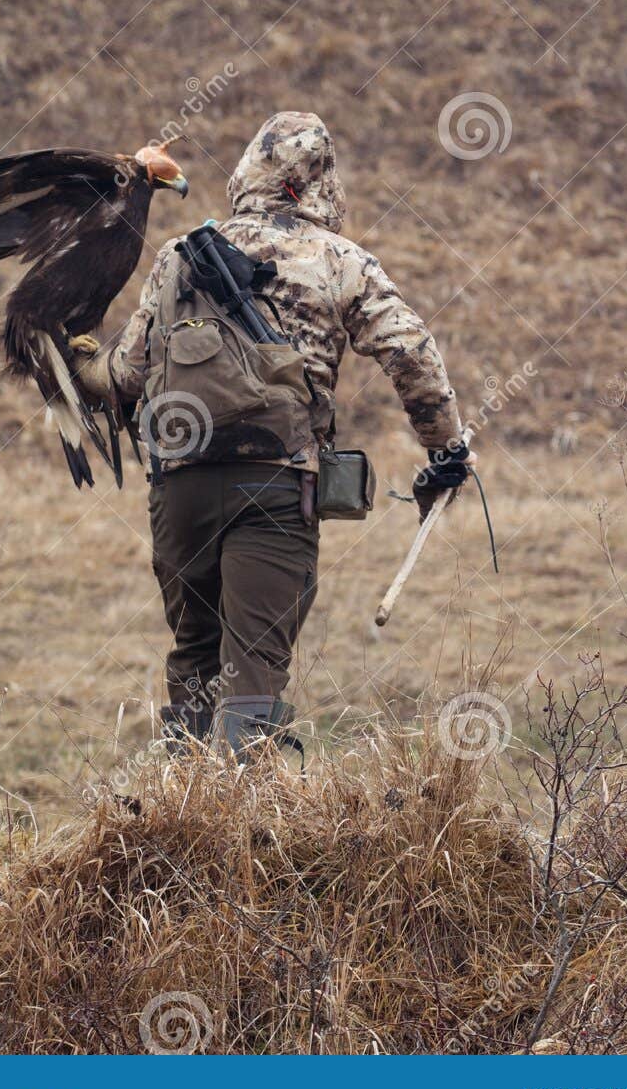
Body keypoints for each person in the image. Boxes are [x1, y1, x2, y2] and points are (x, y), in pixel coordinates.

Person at [78, 111, 468, 757]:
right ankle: (244, 804)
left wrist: (76, 359)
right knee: (253, 667)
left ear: (246, 175)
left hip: (180, 490)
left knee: (195, 656)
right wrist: (445, 449)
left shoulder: (180, 256)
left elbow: (124, 376)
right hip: (276, 486)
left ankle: (177, 801)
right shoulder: (338, 259)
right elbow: (409, 350)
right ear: (318, 183)